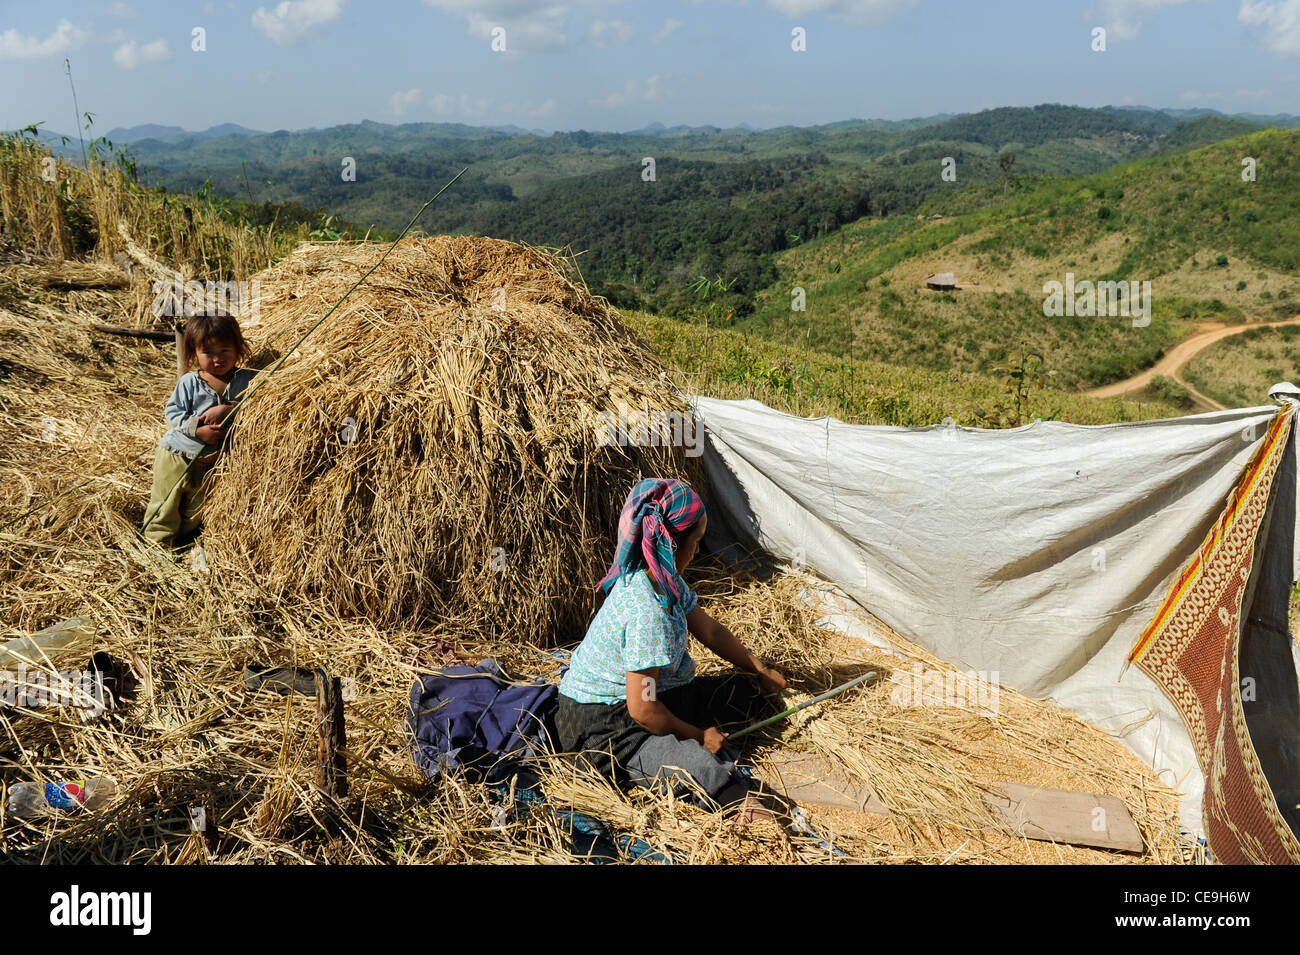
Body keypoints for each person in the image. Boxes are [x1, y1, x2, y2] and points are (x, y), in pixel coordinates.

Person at [555, 477, 787, 813]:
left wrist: (759, 669)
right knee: (697, 763)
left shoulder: (663, 580)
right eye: (695, 542)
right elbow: (644, 711)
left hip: (644, 700)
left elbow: (713, 632)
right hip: (604, 732)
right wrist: (698, 735)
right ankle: (745, 808)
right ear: (670, 545)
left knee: (741, 692)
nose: (698, 551)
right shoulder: (645, 612)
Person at [141, 310, 255, 549]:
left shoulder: (245, 379)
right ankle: (157, 545)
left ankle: (182, 543)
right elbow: (173, 413)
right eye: (208, 353)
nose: (217, 359)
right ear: (195, 353)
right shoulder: (190, 382)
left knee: (195, 511)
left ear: (238, 347)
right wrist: (197, 429)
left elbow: (257, 405)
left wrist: (227, 409)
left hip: (209, 463)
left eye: (224, 351)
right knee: (166, 503)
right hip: (177, 454)